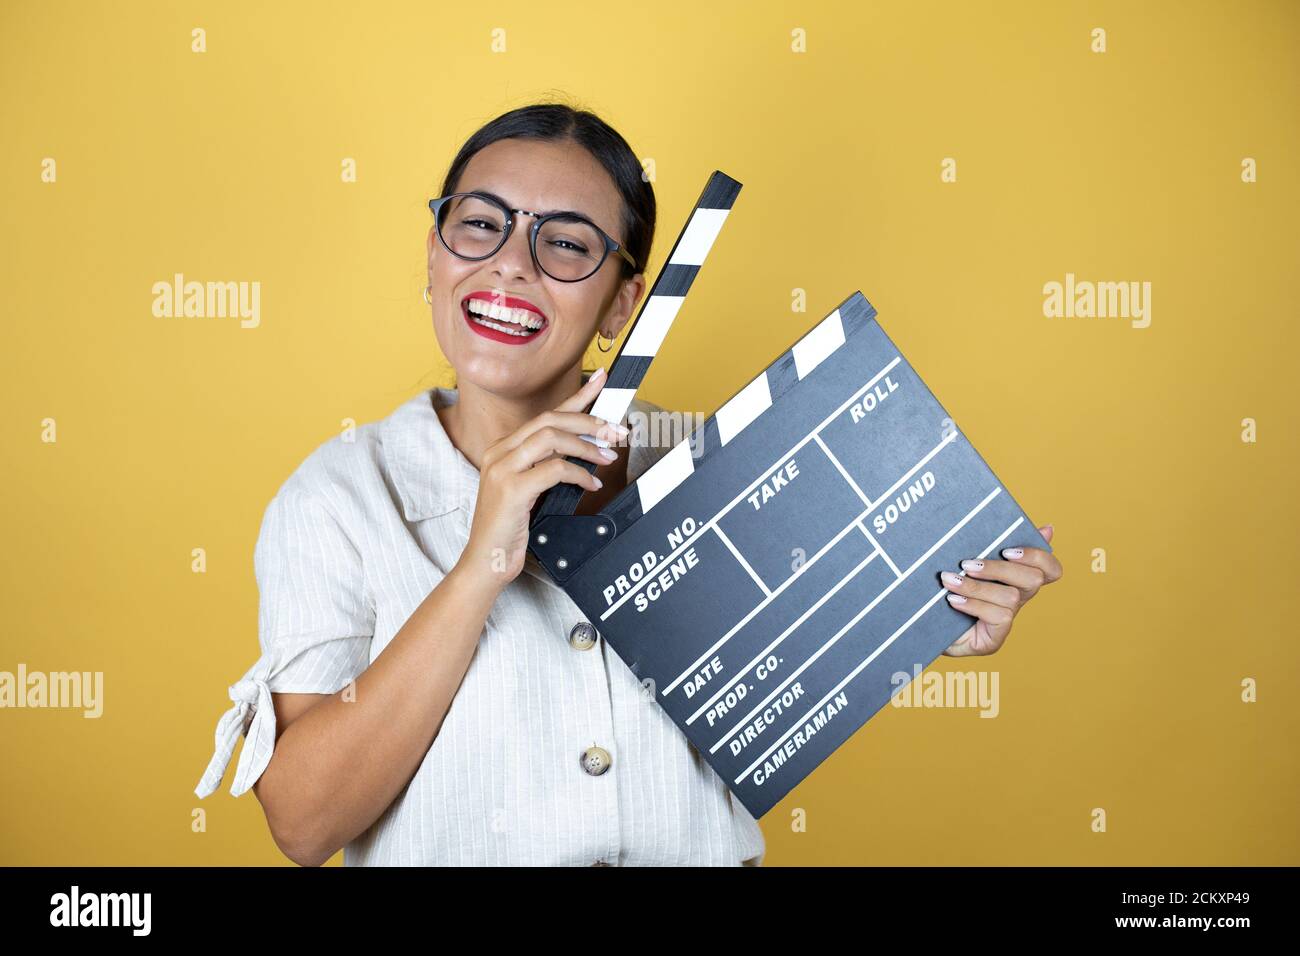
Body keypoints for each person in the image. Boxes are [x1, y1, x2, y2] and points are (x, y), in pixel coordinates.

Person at [194, 101, 1062, 867]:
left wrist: (917, 615)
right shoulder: (338, 498)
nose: (510, 266)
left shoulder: (722, 460)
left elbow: (802, 633)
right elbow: (304, 826)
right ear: (433, 252)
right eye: (479, 224)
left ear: (622, 303)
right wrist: (477, 570)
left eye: (565, 243)